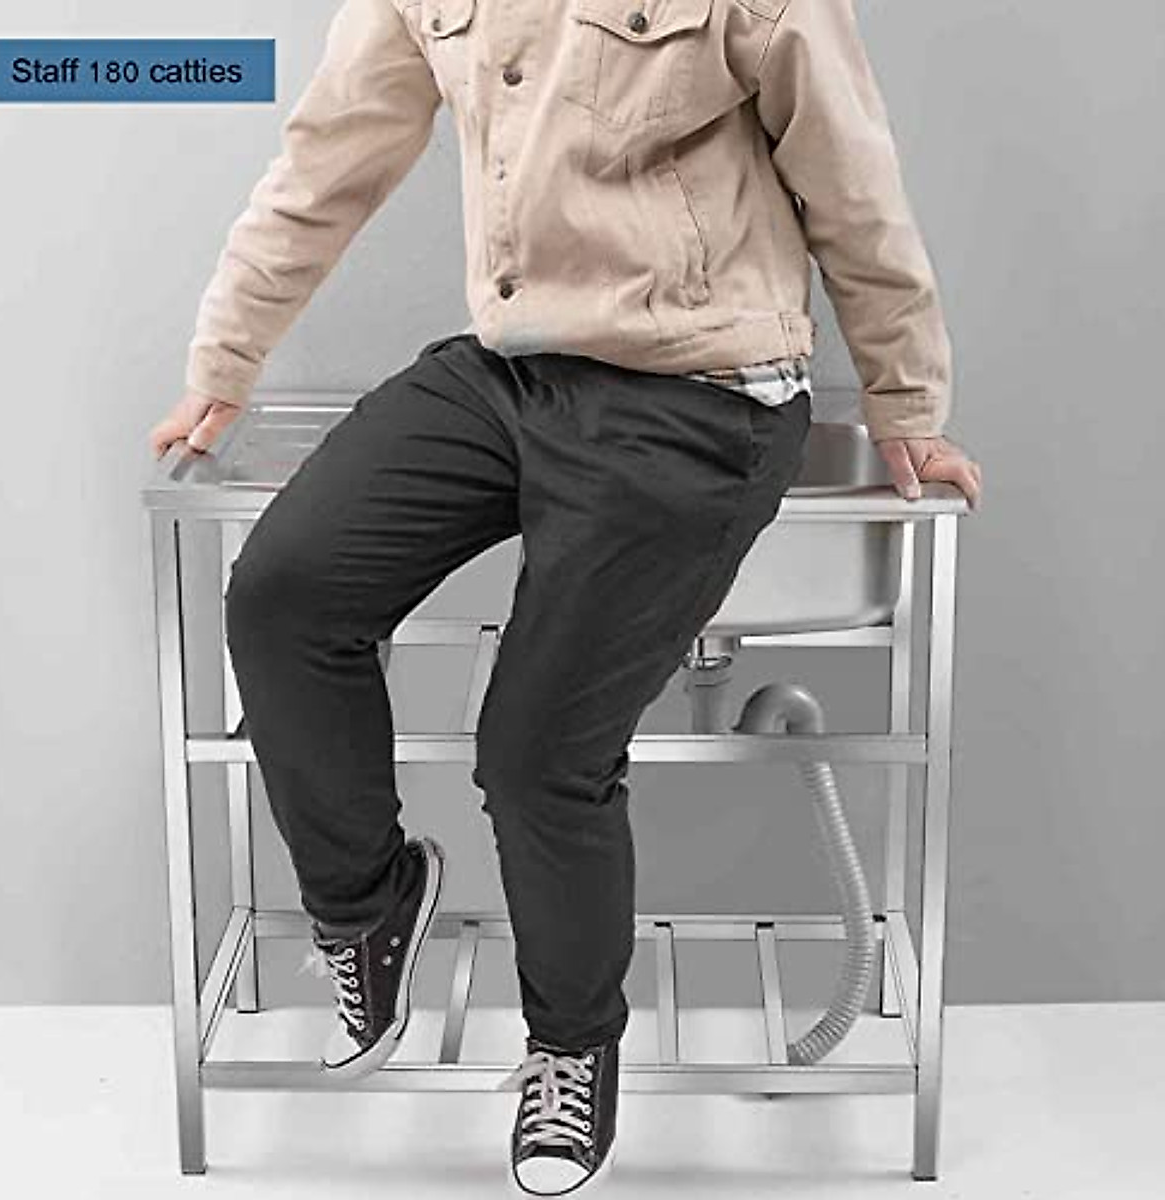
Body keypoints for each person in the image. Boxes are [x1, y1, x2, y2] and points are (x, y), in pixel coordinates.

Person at [149, 1, 981, 1193]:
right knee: (283, 595)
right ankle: (369, 906)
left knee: (537, 749)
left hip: (705, 387)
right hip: (514, 372)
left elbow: (849, 175)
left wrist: (907, 398)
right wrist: (225, 359)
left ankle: (571, 1047)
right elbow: (328, 157)